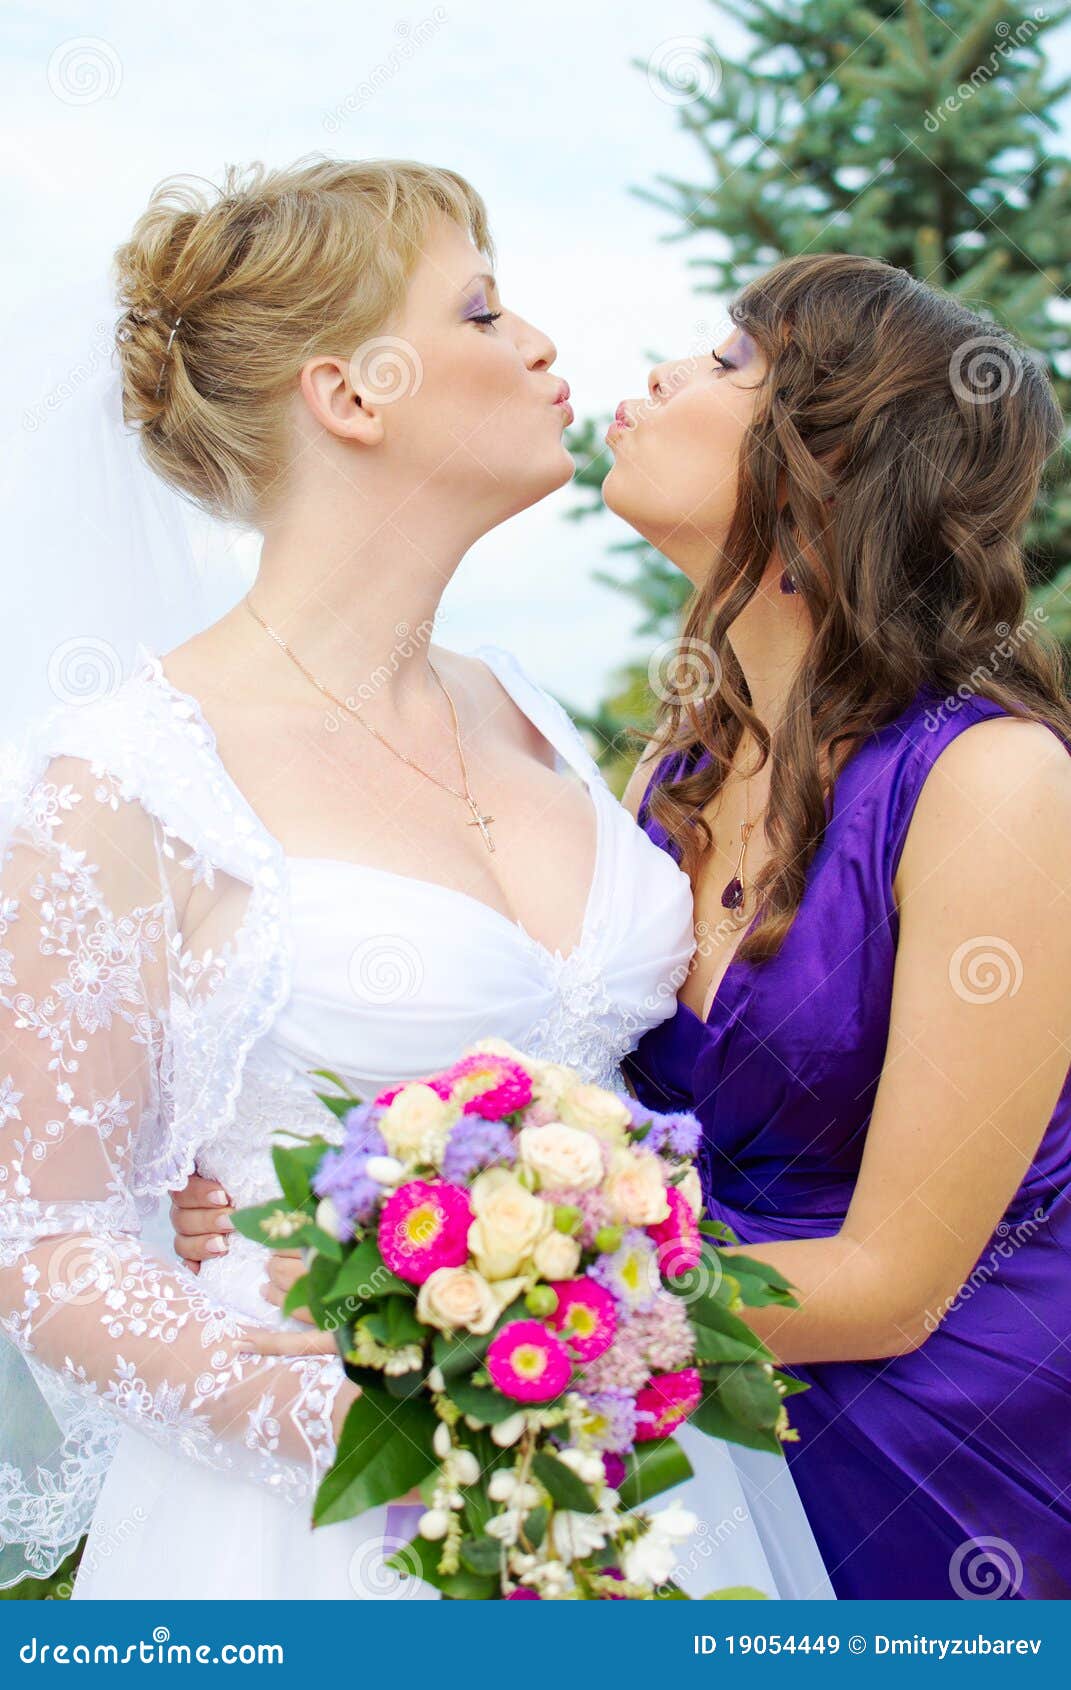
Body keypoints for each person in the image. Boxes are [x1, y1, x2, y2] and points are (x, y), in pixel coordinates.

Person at [0, 158, 833, 1601]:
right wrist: (410, 1426)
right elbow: (49, 1245)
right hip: (317, 1525)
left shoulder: (527, 709)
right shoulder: (130, 776)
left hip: (650, 1483)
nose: (541, 346)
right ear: (352, 394)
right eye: (483, 307)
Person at [600, 251, 1071, 1599]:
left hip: (941, 1465)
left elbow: (894, 1278)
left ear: (836, 467)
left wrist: (538, 1308)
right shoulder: (674, 775)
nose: (664, 376)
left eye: (732, 361)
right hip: (703, 1426)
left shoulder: (991, 780)